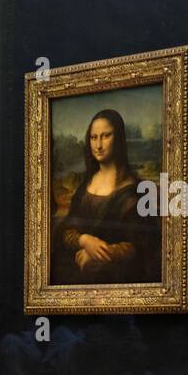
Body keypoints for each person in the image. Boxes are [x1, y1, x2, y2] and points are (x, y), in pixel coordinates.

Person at [52, 108, 157, 285]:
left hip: (117, 279)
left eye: (106, 136)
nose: (98, 145)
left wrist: (99, 254)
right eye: (94, 137)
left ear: (119, 139)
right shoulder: (84, 187)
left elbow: (143, 246)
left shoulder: (136, 191)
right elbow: (66, 231)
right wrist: (84, 240)